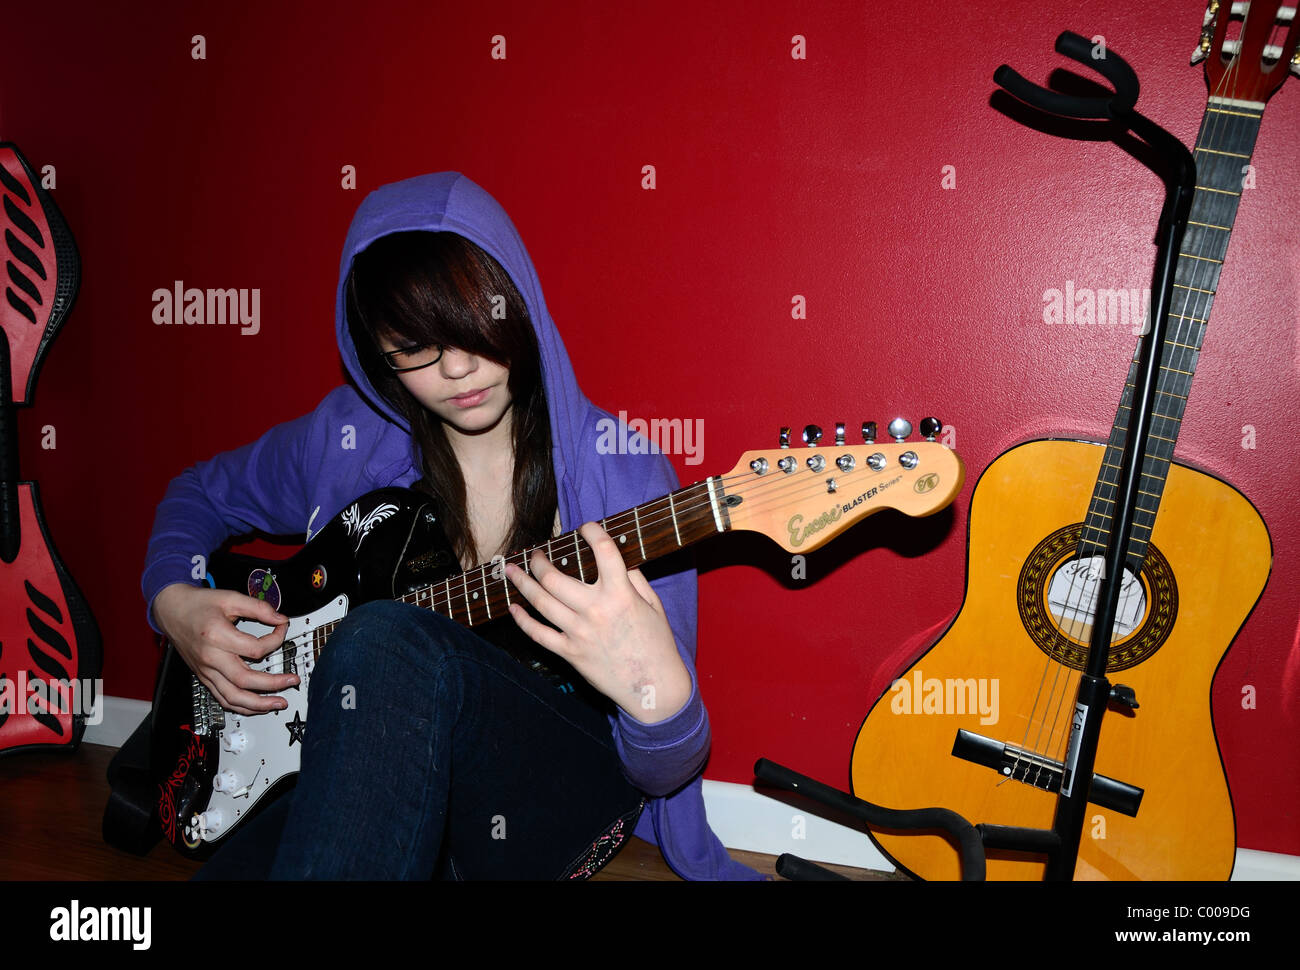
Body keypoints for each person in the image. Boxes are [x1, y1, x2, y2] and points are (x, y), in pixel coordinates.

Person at [142, 172, 759, 880]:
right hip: (359, 768)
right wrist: (173, 602)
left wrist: (660, 693)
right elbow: (196, 493)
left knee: (386, 637)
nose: (458, 367)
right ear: (376, 351)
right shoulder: (344, 436)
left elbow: (661, 772)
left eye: (474, 329)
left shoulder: (623, 474)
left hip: (557, 790)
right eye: (412, 345)